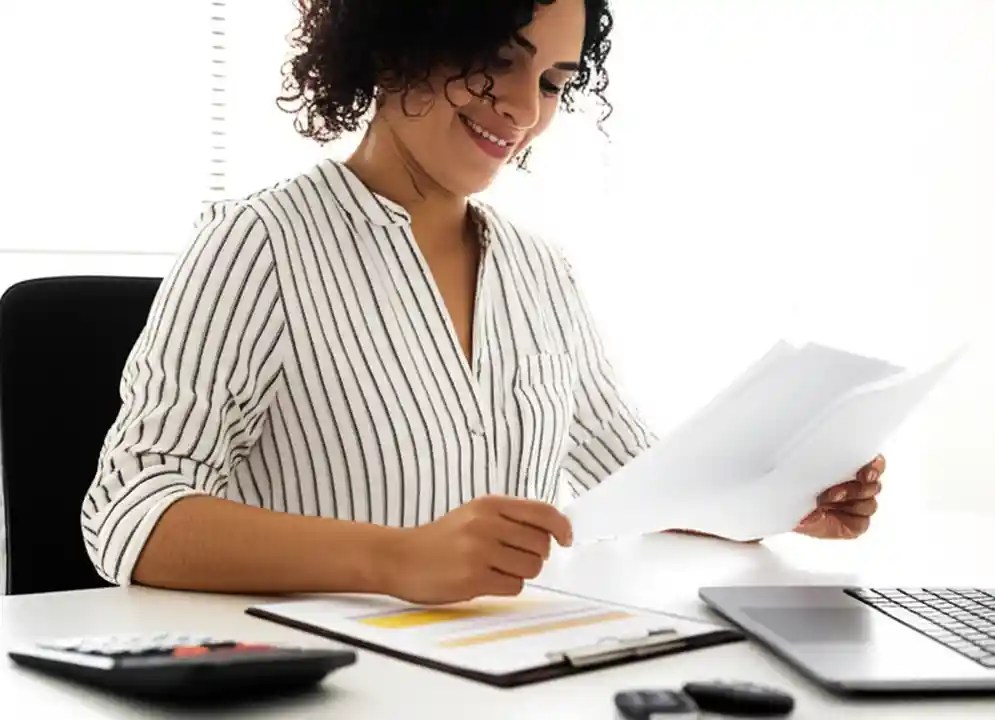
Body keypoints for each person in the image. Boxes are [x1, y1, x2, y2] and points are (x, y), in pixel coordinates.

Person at [80, 0, 886, 605]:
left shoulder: (542, 273)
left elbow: (640, 480)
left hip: (505, 677)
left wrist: (783, 501)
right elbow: (130, 510)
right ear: (402, 34)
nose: (525, 109)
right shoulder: (260, 243)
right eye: (500, 57)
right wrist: (395, 558)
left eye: (552, 82)